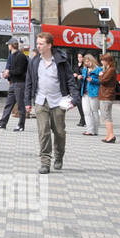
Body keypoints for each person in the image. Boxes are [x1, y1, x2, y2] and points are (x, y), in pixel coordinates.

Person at [24, 31, 80, 174]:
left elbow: (70, 80)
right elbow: (29, 82)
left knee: (59, 132)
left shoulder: (61, 61)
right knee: (43, 132)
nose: (38, 46)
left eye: (41, 44)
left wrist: (75, 98)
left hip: (58, 101)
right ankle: (45, 162)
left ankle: (59, 156)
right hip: (40, 101)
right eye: (37, 43)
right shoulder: (35, 61)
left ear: (49, 45)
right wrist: (27, 102)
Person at [0, 39, 28, 131]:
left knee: (20, 105)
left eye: (8, 45)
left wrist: (9, 73)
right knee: (8, 104)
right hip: (13, 83)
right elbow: (10, 69)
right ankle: (2, 123)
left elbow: (20, 71)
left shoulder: (21, 56)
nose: (8, 46)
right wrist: (7, 75)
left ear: (11, 45)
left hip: (20, 83)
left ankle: (21, 126)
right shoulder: (11, 56)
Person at [98, 51, 119, 143]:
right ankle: (108, 135)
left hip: (107, 96)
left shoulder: (111, 70)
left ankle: (111, 135)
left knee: (106, 116)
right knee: (106, 116)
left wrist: (100, 75)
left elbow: (103, 81)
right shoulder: (109, 69)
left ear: (108, 61)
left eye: (103, 60)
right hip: (106, 95)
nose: (102, 62)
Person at [79, 53, 101, 135]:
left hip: (93, 93)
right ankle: (89, 130)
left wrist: (93, 80)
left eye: (88, 61)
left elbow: (102, 81)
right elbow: (84, 81)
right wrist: (80, 78)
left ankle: (95, 130)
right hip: (84, 93)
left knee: (94, 111)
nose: (86, 63)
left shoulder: (98, 70)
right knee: (86, 111)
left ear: (92, 60)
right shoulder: (84, 69)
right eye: (85, 62)